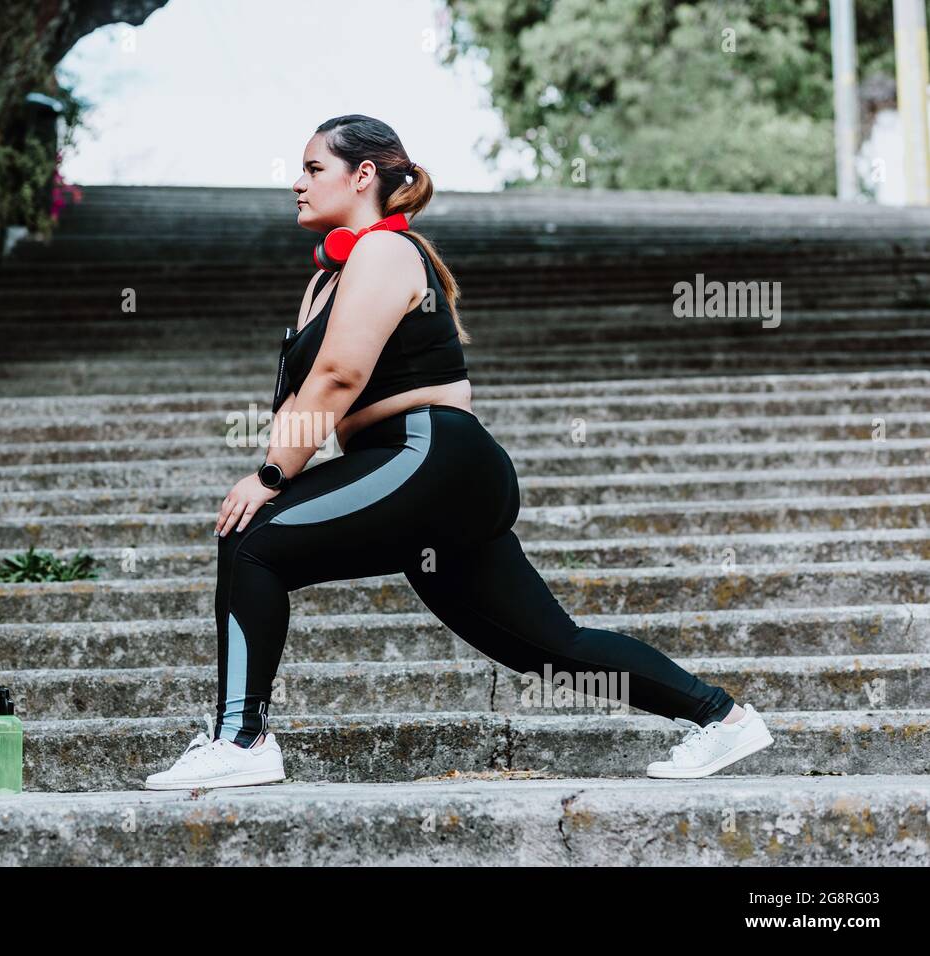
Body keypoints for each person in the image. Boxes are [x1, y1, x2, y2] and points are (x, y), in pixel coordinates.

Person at [144, 114, 773, 790]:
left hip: (428, 455)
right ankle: (723, 720)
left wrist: (270, 475)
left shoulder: (386, 252)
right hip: (422, 476)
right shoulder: (328, 274)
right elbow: (302, 395)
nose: (296, 184)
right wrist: (282, 459)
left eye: (313, 169)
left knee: (250, 540)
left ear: (363, 176)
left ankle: (241, 738)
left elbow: (338, 379)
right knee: (548, 649)